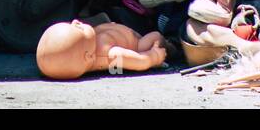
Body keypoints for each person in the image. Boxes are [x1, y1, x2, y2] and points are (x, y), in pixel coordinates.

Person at [36, 19, 167, 80]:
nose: (75, 21)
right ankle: (170, 47)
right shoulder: (109, 57)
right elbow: (139, 62)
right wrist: (153, 56)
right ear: (89, 57)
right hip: (137, 44)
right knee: (155, 36)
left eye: (70, 23)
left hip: (114, 29)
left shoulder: (87, 45)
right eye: (78, 28)